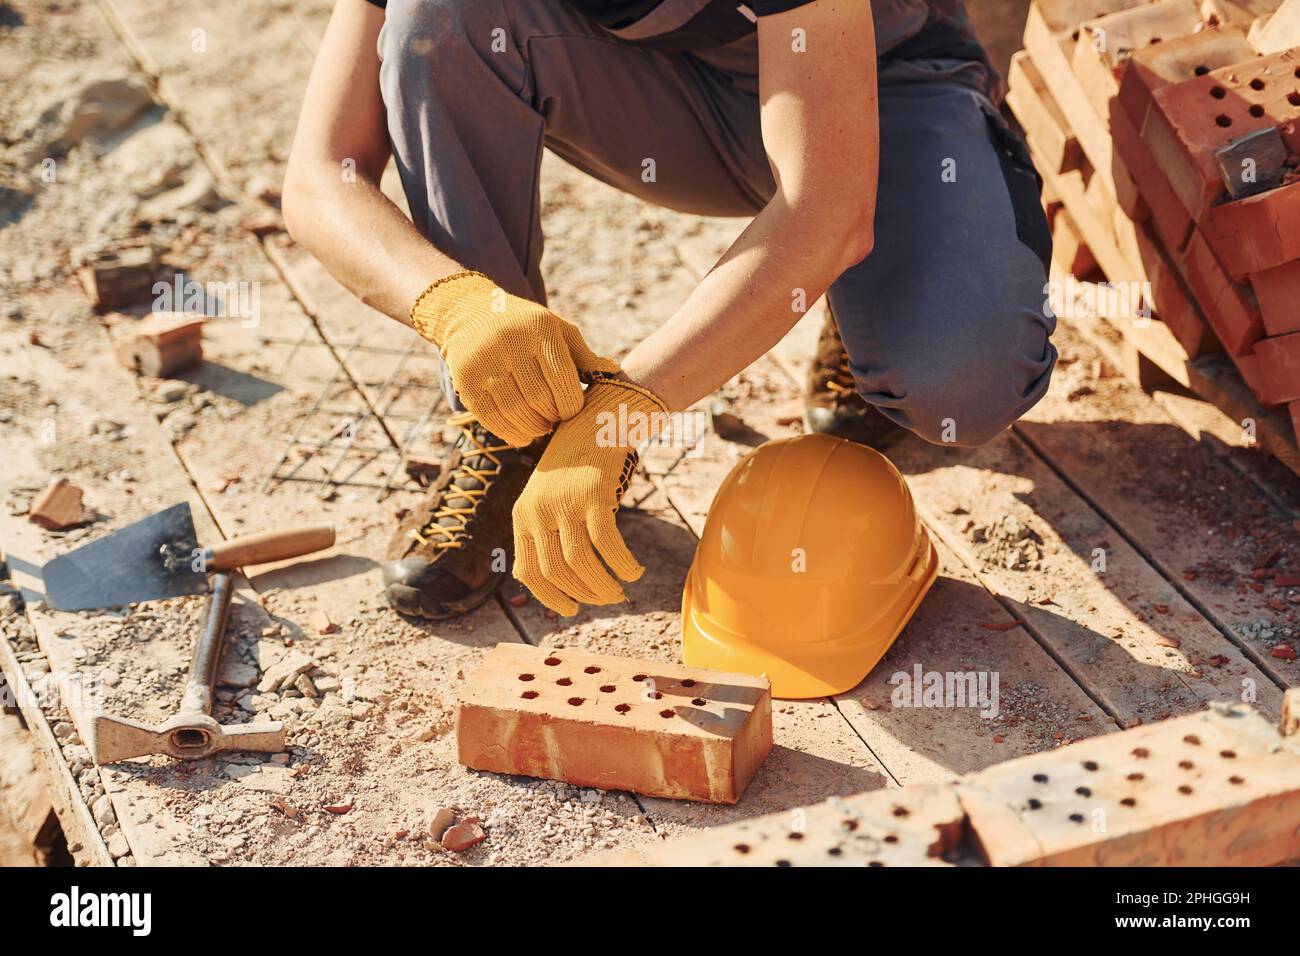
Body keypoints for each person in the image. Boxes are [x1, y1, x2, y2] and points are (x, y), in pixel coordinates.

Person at [282, 0, 1057, 620]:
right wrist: (458, 309)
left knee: (964, 378)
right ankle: (513, 423)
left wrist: (624, 408)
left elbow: (823, 209)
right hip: (675, 102)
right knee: (440, 21)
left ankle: (890, 265)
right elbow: (319, 180)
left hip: (879, 100)